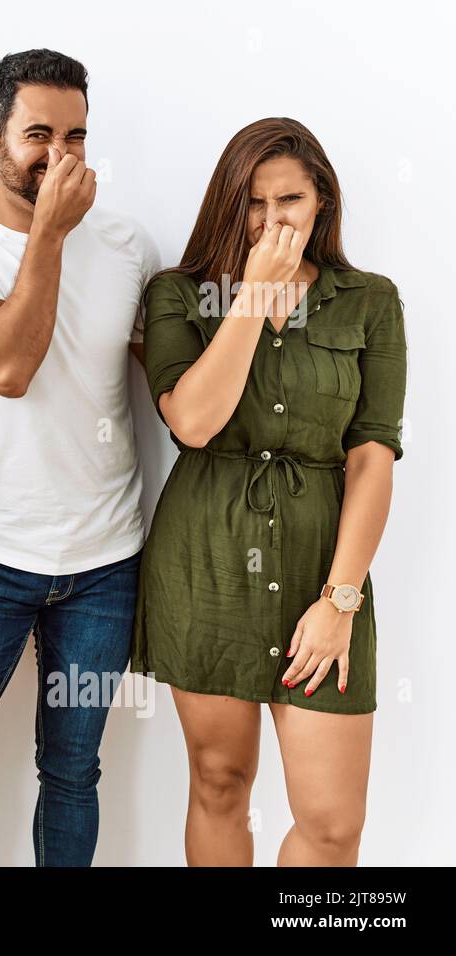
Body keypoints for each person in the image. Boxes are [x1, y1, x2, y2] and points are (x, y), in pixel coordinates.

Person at [0, 49, 162, 866]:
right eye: (38, 133)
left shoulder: (128, 246)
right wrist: (48, 230)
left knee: (73, 772)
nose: (60, 154)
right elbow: (7, 368)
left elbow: (173, 392)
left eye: (76, 135)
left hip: (106, 559)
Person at [132, 117, 406, 866]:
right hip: (205, 563)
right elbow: (192, 422)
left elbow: (373, 456)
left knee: (332, 824)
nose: (272, 219)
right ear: (230, 205)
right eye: (254, 202)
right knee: (220, 783)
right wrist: (251, 297)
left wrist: (341, 599)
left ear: (322, 203)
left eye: (289, 199)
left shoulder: (371, 302)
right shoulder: (179, 295)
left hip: (324, 569)